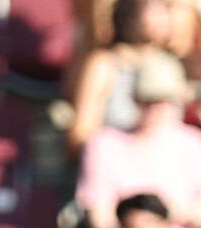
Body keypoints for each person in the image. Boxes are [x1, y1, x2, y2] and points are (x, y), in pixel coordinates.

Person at [76, 47, 201, 228]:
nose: (158, 109)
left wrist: (172, 212)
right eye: (149, 100)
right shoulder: (104, 144)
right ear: (135, 99)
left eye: (165, 100)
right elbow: (100, 219)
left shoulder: (194, 143)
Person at [67, 0, 175, 154]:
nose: (166, 17)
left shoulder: (168, 64)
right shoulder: (104, 64)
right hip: (117, 165)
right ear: (131, 14)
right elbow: (79, 135)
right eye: (157, 10)